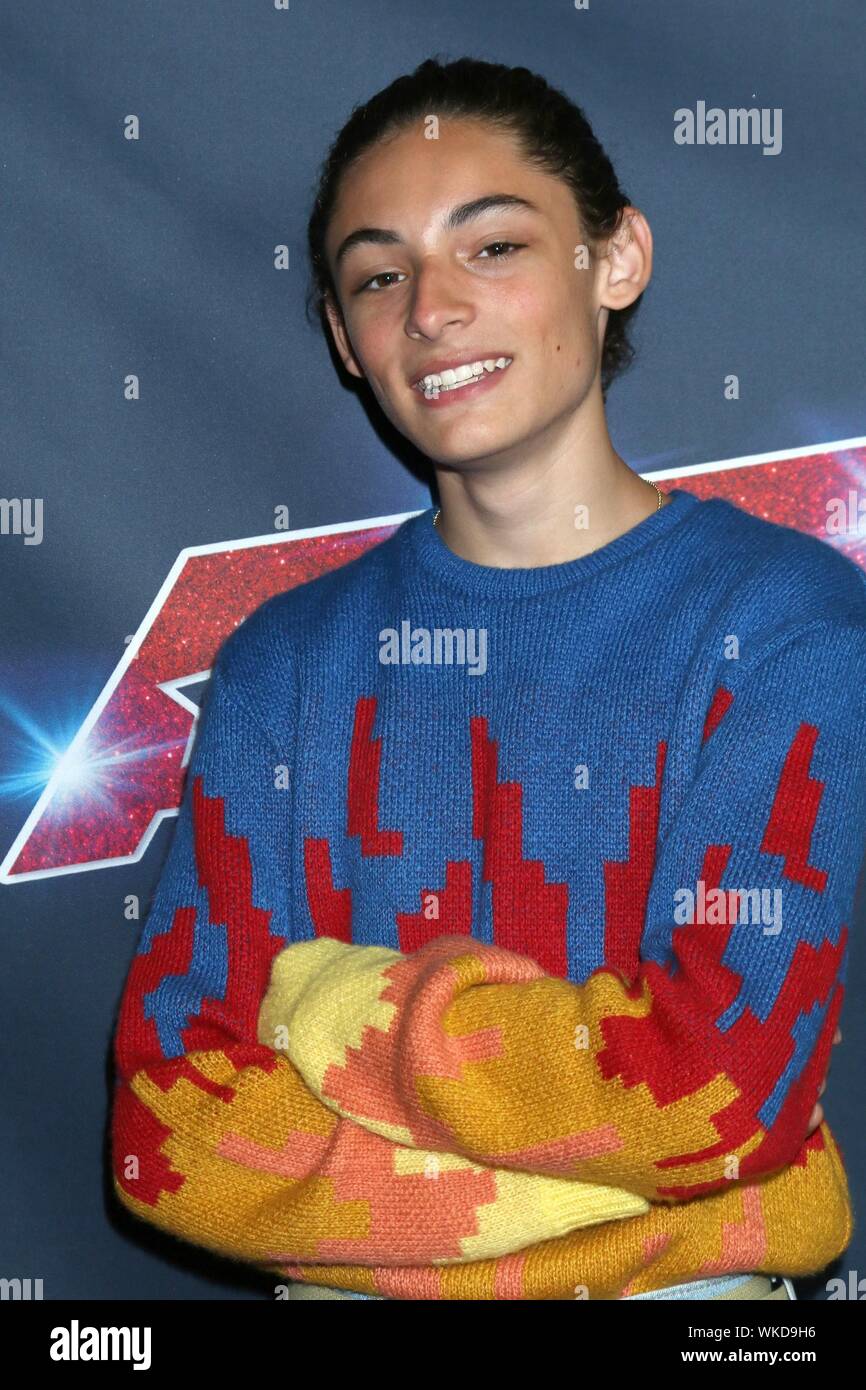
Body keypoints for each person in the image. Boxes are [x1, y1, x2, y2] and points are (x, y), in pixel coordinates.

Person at [111, 57, 864, 1302]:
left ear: (614, 259)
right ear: (347, 345)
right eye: (377, 274)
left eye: (494, 245)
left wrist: (350, 1012)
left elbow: (718, 1091)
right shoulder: (280, 666)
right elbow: (165, 1132)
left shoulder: (786, 626)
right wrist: (608, 1171)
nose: (432, 310)